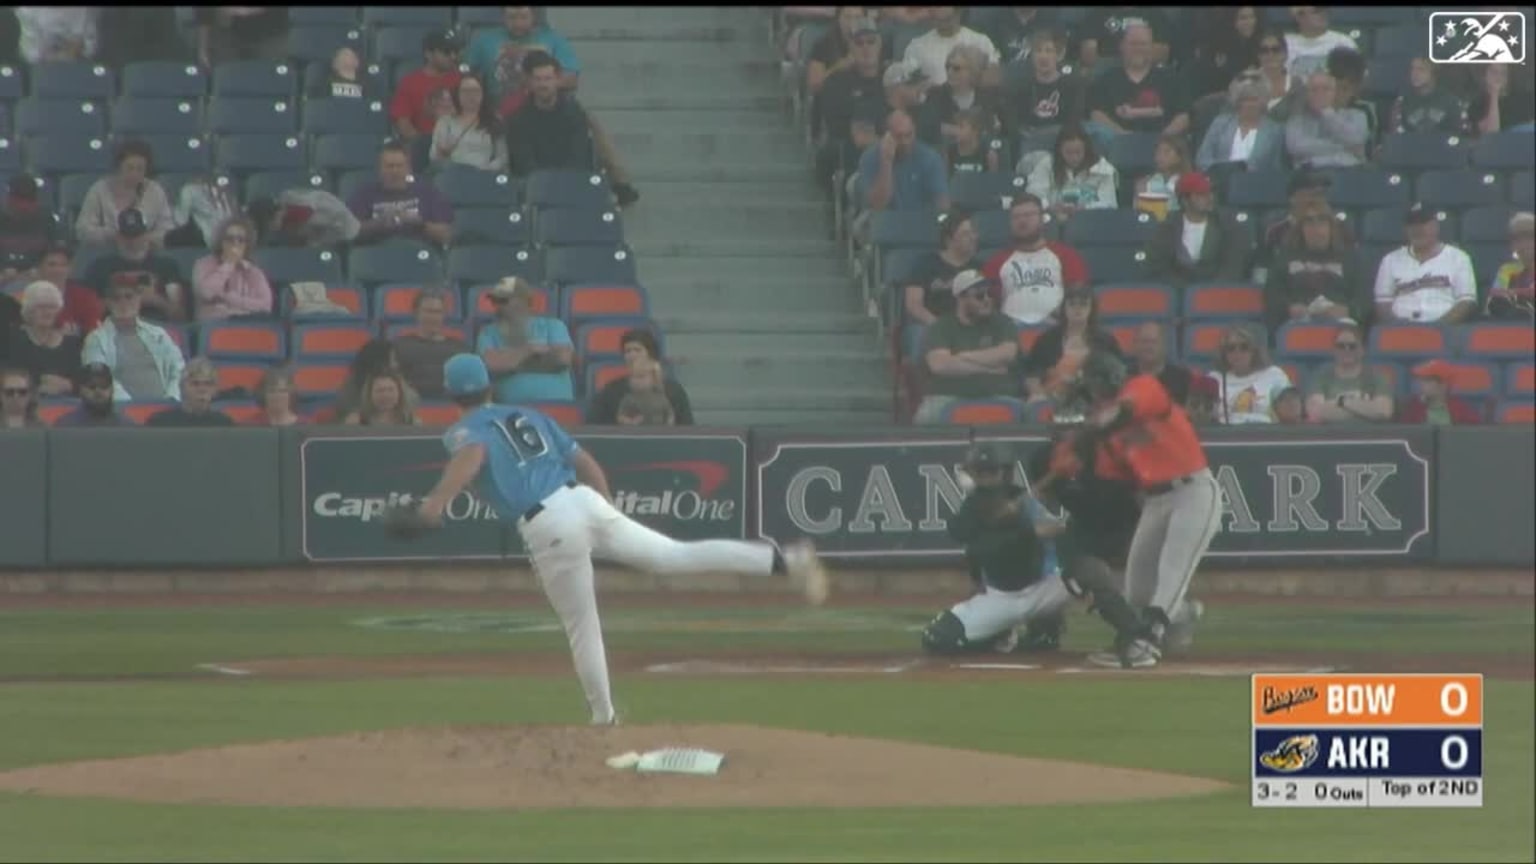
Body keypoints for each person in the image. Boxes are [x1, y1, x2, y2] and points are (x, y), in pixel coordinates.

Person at [398, 353, 829, 724]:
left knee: (582, 624)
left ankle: (604, 720)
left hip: (547, 523)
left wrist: (435, 503)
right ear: (489, 385)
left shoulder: (461, 430)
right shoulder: (530, 415)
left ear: (450, 393)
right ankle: (784, 561)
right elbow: (584, 459)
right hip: (584, 500)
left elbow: (473, 455)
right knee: (674, 556)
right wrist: (605, 510)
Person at [1071, 351, 1221, 669]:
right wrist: (1077, 457)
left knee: (1172, 572)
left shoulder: (1143, 386)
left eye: (1094, 385)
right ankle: (1181, 614)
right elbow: (1110, 480)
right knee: (1138, 592)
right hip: (1155, 500)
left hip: (1192, 491)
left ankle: (1144, 644)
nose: (1092, 393)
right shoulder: (1106, 431)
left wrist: (1095, 429)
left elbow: (1125, 411)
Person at [917, 441, 1078, 656]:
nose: (987, 477)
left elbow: (1054, 529)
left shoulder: (1022, 502)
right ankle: (1000, 634)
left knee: (1090, 573)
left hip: (1042, 587)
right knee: (938, 639)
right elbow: (961, 535)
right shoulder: (972, 510)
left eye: (992, 471)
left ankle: (1131, 635)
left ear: (1006, 473)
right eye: (980, 472)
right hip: (1001, 597)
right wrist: (994, 520)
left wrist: (1025, 527)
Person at [1264, 204, 1367, 332]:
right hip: (1297, 324)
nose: (1316, 229)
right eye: (1309, 223)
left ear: (1331, 227)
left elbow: (1364, 299)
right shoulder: (1285, 259)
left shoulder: (1350, 259)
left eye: (1322, 222)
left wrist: (1346, 311)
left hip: (1342, 325)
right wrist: (1289, 309)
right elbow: (1272, 295)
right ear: (1301, 229)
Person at [1143, 171, 1251, 288]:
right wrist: (1184, 291)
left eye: (1210, 192)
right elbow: (1157, 267)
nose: (1209, 198)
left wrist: (1212, 292)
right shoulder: (1167, 228)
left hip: (1219, 293)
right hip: (1179, 292)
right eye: (1201, 194)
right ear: (1185, 201)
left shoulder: (1228, 226)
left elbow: (1233, 265)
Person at [1373, 205, 1478, 325]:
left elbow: (1466, 302)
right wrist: (1397, 328)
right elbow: (1382, 303)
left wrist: (1437, 329)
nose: (1417, 229)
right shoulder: (1390, 260)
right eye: (1412, 224)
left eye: (1423, 223)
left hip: (1445, 332)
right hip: (1401, 332)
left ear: (1436, 226)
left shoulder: (1459, 258)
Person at [1020, 284, 1122, 405]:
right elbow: (1032, 375)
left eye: (1083, 304)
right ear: (1064, 309)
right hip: (1051, 398)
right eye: (1072, 304)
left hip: (1093, 400)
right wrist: (1039, 394)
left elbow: (1115, 376)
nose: (1077, 309)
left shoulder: (1105, 341)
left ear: (1091, 309)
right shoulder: (1047, 340)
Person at [75, 139, 175, 249]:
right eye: (129, 168)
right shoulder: (99, 190)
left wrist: (146, 238)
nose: (134, 174)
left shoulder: (155, 190)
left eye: (140, 169)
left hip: (147, 253)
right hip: (107, 252)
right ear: (118, 167)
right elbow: (83, 230)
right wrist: (112, 235)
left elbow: (167, 228)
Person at [585, 328, 694, 425]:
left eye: (637, 350)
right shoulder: (612, 390)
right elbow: (594, 425)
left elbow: (687, 426)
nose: (632, 355)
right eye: (628, 351)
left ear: (651, 355)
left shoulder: (674, 391)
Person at [901, 208, 982, 328]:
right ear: (949, 241)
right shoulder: (925, 264)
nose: (972, 238)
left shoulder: (979, 268)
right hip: (933, 327)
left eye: (973, 232)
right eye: (965, 234)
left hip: (971, 329)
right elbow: (914, 304)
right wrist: (939, 326)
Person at [1304, 322, 1394, 424]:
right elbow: (1315, 412)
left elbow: (1383, 411)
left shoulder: (1376, 377)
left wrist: (1342, 402)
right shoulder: (1321, 376)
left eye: (1352, 346)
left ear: (1362, 350)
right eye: (1341, 346)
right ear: (1334, 350)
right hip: (1330, 436)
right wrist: (1365, 408)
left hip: (1368, 436)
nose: (1346, 350)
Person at [5, 280, 82, 398]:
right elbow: (8, 375)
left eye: (51, 307)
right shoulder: (13, 339)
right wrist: (39, 384)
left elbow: (82, 381)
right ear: (29, 310)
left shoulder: (72, 343)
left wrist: (69, 384)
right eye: (40, 307)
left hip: (66, 404)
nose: (47, 312)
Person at [1195, 76, 1285, 174]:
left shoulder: (1275, 130)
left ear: (1263, 101)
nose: (1250, 104)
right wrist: (1220, 172)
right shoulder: (1220, 123)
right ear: (1238, 102)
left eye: (1254, 99)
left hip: (1257, 184)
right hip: (1219, 182)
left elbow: (1276, 167)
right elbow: (1202, 158)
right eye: (1245, 99)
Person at [1025, 125, 1119, 219]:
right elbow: (1033, 195)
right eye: (1068, 152)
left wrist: (1085, 208)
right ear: (1060, 150)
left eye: (1078, 152)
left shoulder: (1102, 168)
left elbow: (1110, 203)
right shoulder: (1047, 164)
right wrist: (1050, 207)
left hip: (1090, 220)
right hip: (1053, 218)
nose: (1074, 158)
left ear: (1086, 149)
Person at [1208, 323, 1292, 425]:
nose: (1237, 352)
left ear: (1254, 350)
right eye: (1231, 348)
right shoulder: (1214, 378)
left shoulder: (1273, 374)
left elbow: (1290, 410)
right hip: (1225, 437)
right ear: (1224, 353)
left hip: (1265, 434)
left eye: (1244, 347)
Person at [192, 217, 273, 321]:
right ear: (221, 242)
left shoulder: (253, 271)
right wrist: (229, 264)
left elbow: (266, 305)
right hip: (214, 327)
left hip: (246, 325)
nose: (235, 244)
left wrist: (227, 297)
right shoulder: (204, 264)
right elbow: (207, 293)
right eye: (230, 239)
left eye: (241, 240)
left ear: (246, 245)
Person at [431, 73, 508, 173]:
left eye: (475, 91)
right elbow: (433, 156)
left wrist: (484, 170)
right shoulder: (445, 123)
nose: (471, 95)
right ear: (457, 94)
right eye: (465, 91)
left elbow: (502, 157)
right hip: (452, 175)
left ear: (483, 94)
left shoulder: (494, 121)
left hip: (484, 175)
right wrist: (442, 154)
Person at [145, 358, 234, 427]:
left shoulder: (224, 424)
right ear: (182, 387)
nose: (202, 389)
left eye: (208, 384)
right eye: (195, 384)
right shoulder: (160, 423)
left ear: (215, 389)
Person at [1390, 57, 1467, 135]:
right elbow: (1395, 134)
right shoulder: (1402, 102)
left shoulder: (1451, 102)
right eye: (1412, 69)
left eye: (1421, 69)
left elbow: (1460, 134)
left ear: (1433, 73)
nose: (1415, 74)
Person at [1399, 359, 1483, 425]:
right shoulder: (1414, 408)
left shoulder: (1461, 409)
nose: (1421, 384)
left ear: (1443, 385)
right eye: (1421, 380)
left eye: (1427, 380)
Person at [1486, 212, 1534, 321]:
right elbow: (1493, 303)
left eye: (1530, 236)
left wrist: (1513, 293)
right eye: (1517, 238)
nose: (1524, 243)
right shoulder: (1507, 270)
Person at [52, 362, 130, 426]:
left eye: (103, 385)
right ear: (81, 390)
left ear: (112, 389)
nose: (98, 391)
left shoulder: (127, 427)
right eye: (91, 386)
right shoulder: (65, 426)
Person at [1136, 135, 1193, 215]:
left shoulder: (1189, 182)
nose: (1160, 156)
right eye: (1158, 152)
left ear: (1179, 157)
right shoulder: (1144, 183)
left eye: (1167, 152)